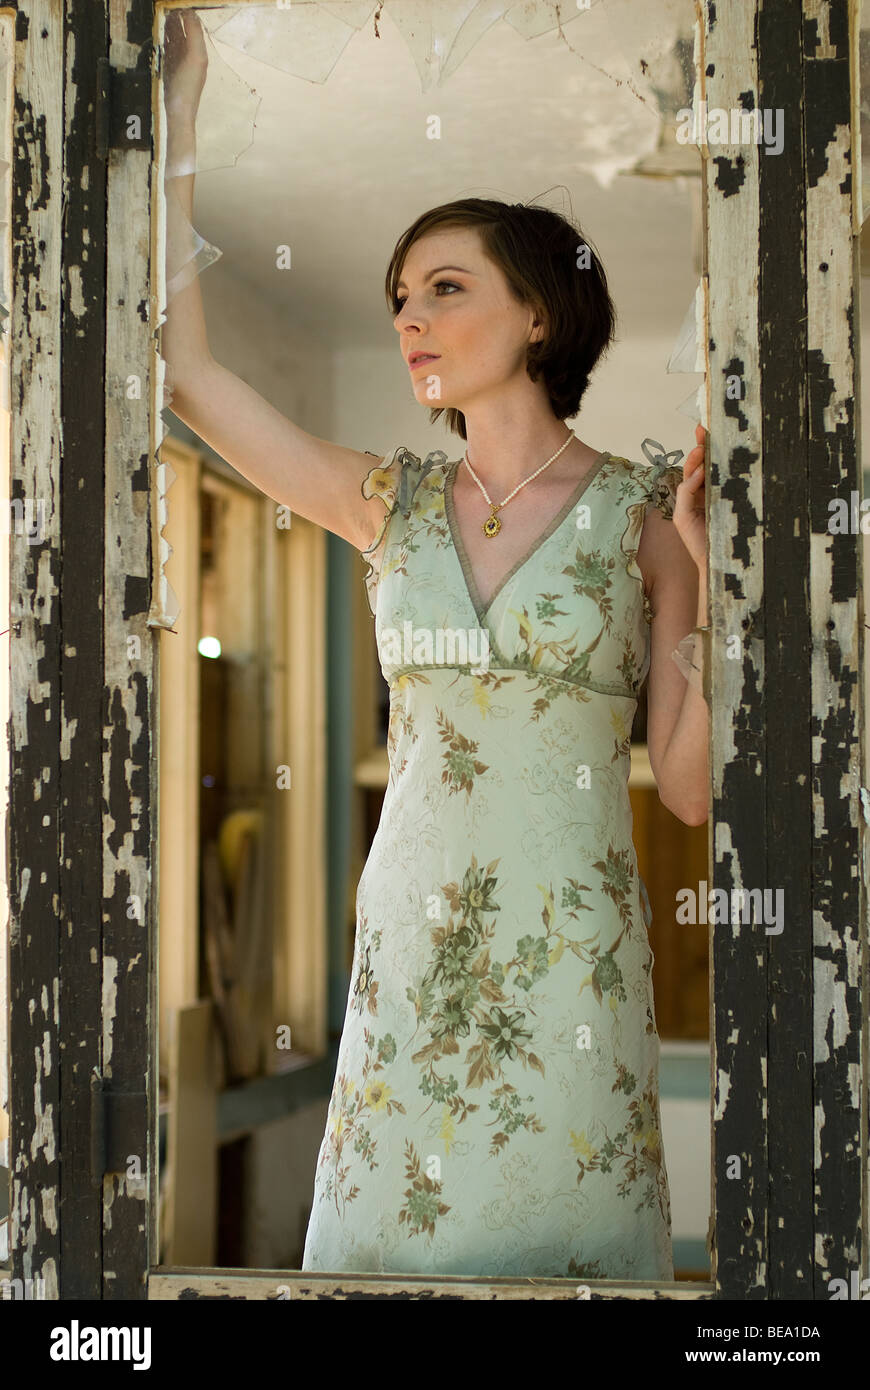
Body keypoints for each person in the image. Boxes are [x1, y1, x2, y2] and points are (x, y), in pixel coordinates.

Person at [162, 9, 709, 1280]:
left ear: (538, 314)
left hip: (573, 959)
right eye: (399, 299)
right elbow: (187, 376)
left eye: (445, 289)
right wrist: (178, 116)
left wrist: (720, 586)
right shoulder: (385, 503)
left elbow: (685, 788)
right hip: (411, 944)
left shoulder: (645, 519)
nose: (411, 317)